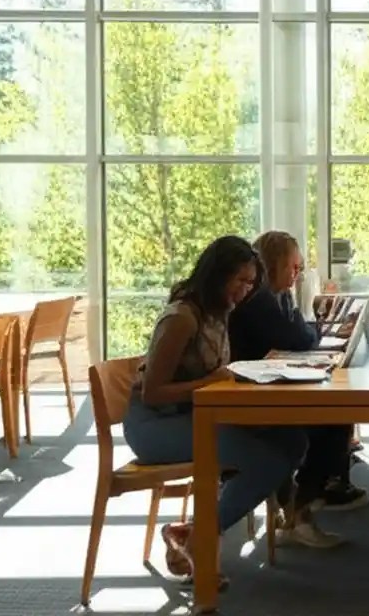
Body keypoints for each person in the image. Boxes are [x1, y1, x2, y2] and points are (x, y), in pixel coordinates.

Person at [122, 236, 307, 582]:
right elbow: (153, 393)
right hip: (154, 426)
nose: (245, 291)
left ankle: (191, 532)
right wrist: (211, 380)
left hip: (195, 414)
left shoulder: (219, 311)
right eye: (240, 281)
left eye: (250, 283)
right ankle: (202, 538)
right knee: (268, 460)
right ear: (217, 275)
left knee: (293, 440)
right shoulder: (181, 318)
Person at [228, 231, 369, 549]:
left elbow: (302, 330)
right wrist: (307, 328)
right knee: (335, 421)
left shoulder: (276, 296)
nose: (298, 274)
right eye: (294, 267)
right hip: (251, 402)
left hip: (266, 391)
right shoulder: (260, 300)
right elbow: (303, 337)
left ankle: (295, 506)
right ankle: (300, 511)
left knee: (330, 420)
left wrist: (306, 327)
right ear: (275, 264)